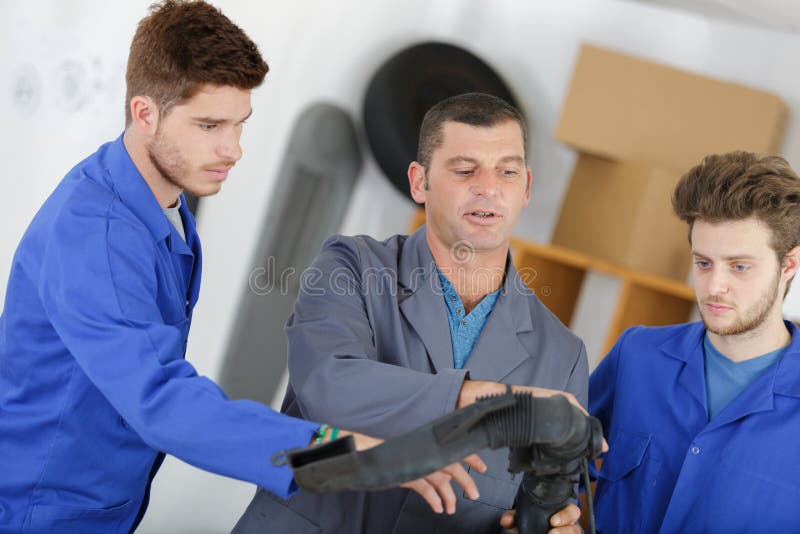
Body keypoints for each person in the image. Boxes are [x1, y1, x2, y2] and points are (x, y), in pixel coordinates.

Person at [0, 2, 478, 532]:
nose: (233, 150)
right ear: (144, 113)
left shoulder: (152, 203)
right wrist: (346, 455)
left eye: (239, 124)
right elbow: (163, 402)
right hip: (43, 510)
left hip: (97, 499)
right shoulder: (97, 235)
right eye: (209, 125)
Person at [234, 92, 589, 534]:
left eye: (508, 171)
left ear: (527, 188)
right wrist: (484, 401)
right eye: (465, 170)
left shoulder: (563, 357)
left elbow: (544, 497)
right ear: (420, 182)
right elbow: (330, 386)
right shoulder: (350, 268)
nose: (489, 187)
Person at [589, 151, 800, 532]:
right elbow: (560, 452)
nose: (715, 287)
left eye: (739, 266)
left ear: (788, 265)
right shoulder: (637, 356)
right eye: (703, 263)